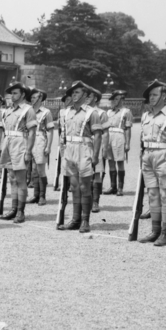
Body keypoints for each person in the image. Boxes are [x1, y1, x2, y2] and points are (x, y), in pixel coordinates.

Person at [138, 80, 166, 247]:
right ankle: (154, 230)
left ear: (164, 96)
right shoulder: (146, 115)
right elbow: (142, 141)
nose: (151, 97)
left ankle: (165, 233)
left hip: (164, 157)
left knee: (165, 197)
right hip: (148, 157)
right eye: (150, 95)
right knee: (152, 195)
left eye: (155, 94)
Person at [57, 81, 103, 233]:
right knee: (74, 186)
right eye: (72, 93)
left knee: (85, 186)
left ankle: (85, 220)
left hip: (84, 149)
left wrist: (95, 156)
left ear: (85, 95)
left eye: (77, 93)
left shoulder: (92, 113)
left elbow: (97, 135)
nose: (73, 96)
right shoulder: (65, 112)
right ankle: (75, 219)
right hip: (69, 150)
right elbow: (62, 133)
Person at [0, 81, 37, 223]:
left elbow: (32, 132)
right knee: (12, 179)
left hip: (20, 144)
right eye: (11, 93)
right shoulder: (8, 110)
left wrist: (28, 151)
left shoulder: (28, 110)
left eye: (15, 93)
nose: (12, 96)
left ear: (23, 94)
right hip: (8, 144)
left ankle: (21, 211)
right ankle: (13, 209)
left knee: (20, 180)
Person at [26, 88, 54, 206]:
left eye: (34, 97)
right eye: (31, 97)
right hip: (29, 138)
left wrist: (48, 146)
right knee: (33, 170)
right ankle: (35, 195)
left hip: (40, 139)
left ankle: (42, 196)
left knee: (40, 169)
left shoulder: (46, 112)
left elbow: (50, 131)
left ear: (40, 98)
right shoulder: (28, 110)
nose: (32, 99)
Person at [104, 89, 133, 200]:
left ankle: (120, 187)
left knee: (119, 162)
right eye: (113, 99)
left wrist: (127, 143)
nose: (115, 101)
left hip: (119, 136)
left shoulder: (126, 112)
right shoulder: (108, 112)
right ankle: (113, 186)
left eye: (117, 99)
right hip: (109, 136)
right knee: (110, 161)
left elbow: (128, 129)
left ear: (121, 100)